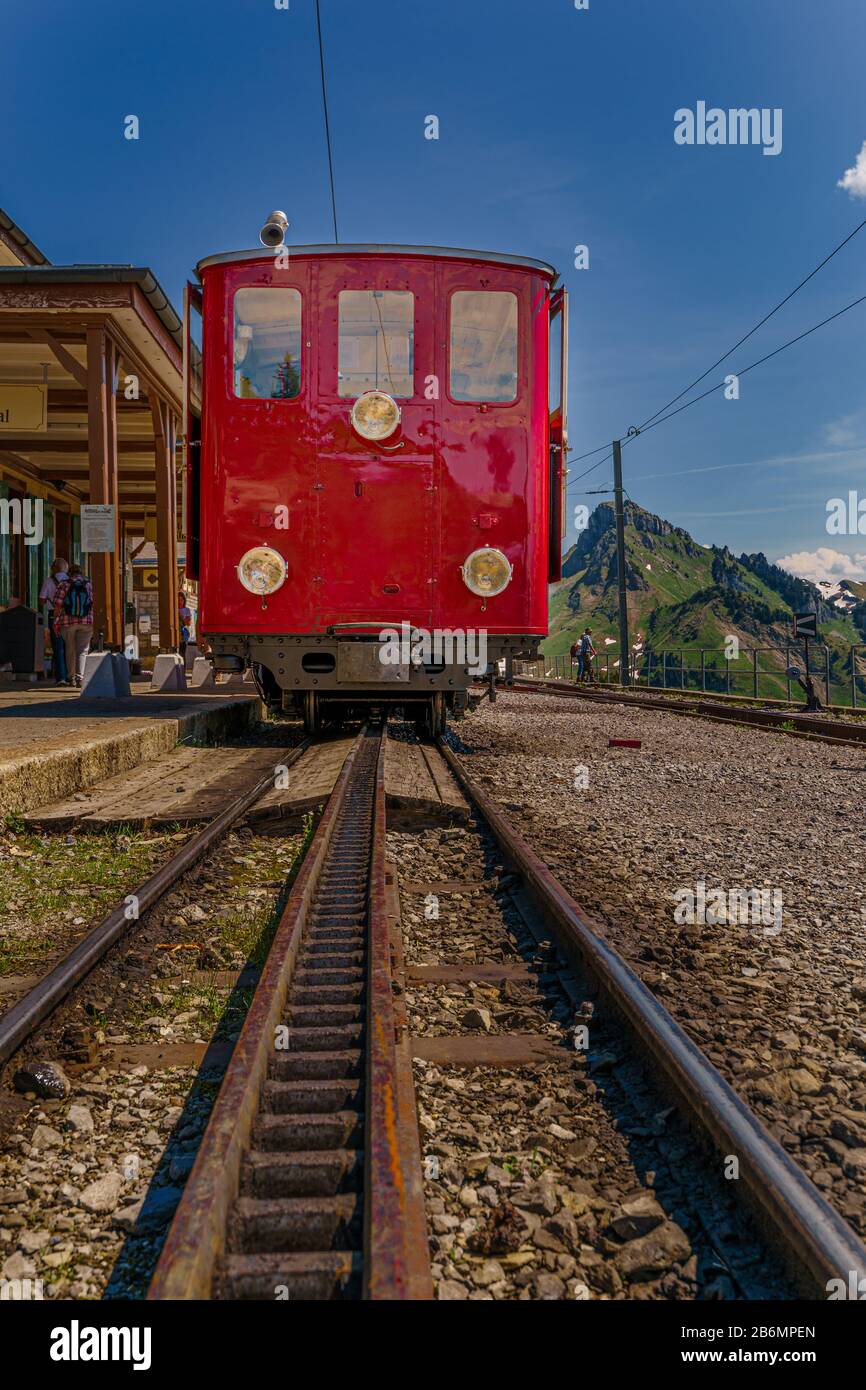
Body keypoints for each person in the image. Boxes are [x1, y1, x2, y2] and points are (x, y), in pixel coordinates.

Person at [53, 564, 94, 688]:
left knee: (70, 649)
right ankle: (80, 677)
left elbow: (58, 604)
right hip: (86, 621)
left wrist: (56, 620)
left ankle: (71, 678)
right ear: (81, 573)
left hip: (67, 622)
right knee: (83, 650)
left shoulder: (64, 584)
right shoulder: (88, 584)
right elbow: (92, 602)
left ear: (69, 573)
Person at [39, 556, 70, 685]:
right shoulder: (71, 580)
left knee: (58, 647)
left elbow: (41, 600)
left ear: (53, 568)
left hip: (54, 615)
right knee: (70, 646)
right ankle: (72, 675)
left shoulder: (48, 581)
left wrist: (51, 599)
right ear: (65, 568)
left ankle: (61, 677)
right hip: (70, 616)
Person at [178, 590, 193, 657]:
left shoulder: (187, 610)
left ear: (184, 601)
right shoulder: (173, 609)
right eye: (178, 600)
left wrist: (180, 616)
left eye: (181, 600)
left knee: (183, 652)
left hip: (183, 634)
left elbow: (188, 623)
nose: (180, 602)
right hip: (176, 634)